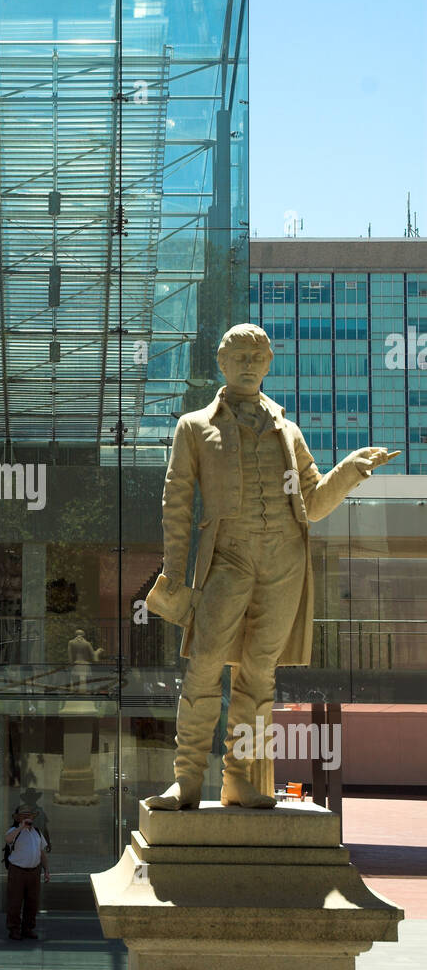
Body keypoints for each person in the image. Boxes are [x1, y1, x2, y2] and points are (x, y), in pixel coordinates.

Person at [145, 323, 399, 810]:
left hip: (284, 560)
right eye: (238, 354)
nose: (248, 363)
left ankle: (239, 779)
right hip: (229, 556)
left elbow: (312, 501)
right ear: (221, 363)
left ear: (268, 364)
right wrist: (174, 576)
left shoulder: (288, 428)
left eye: (257, 356)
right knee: (203, 667)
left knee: (260, 674)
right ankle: (188, 780)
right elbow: (176, 505)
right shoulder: (195, 427)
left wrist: (347, 471)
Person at [3, 805, 50, 941]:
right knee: (15, 901)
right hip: (17, 871)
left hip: (34, 871)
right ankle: (14, 929)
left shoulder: (37, 832)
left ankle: (28, 928)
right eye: (23, 816)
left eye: (29, 816)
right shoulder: (14, 830)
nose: (27, 818)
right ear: (19, 819)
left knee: (32, 902)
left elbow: (42, 853)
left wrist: (46, 870)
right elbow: (8, 839)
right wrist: (20, 827)